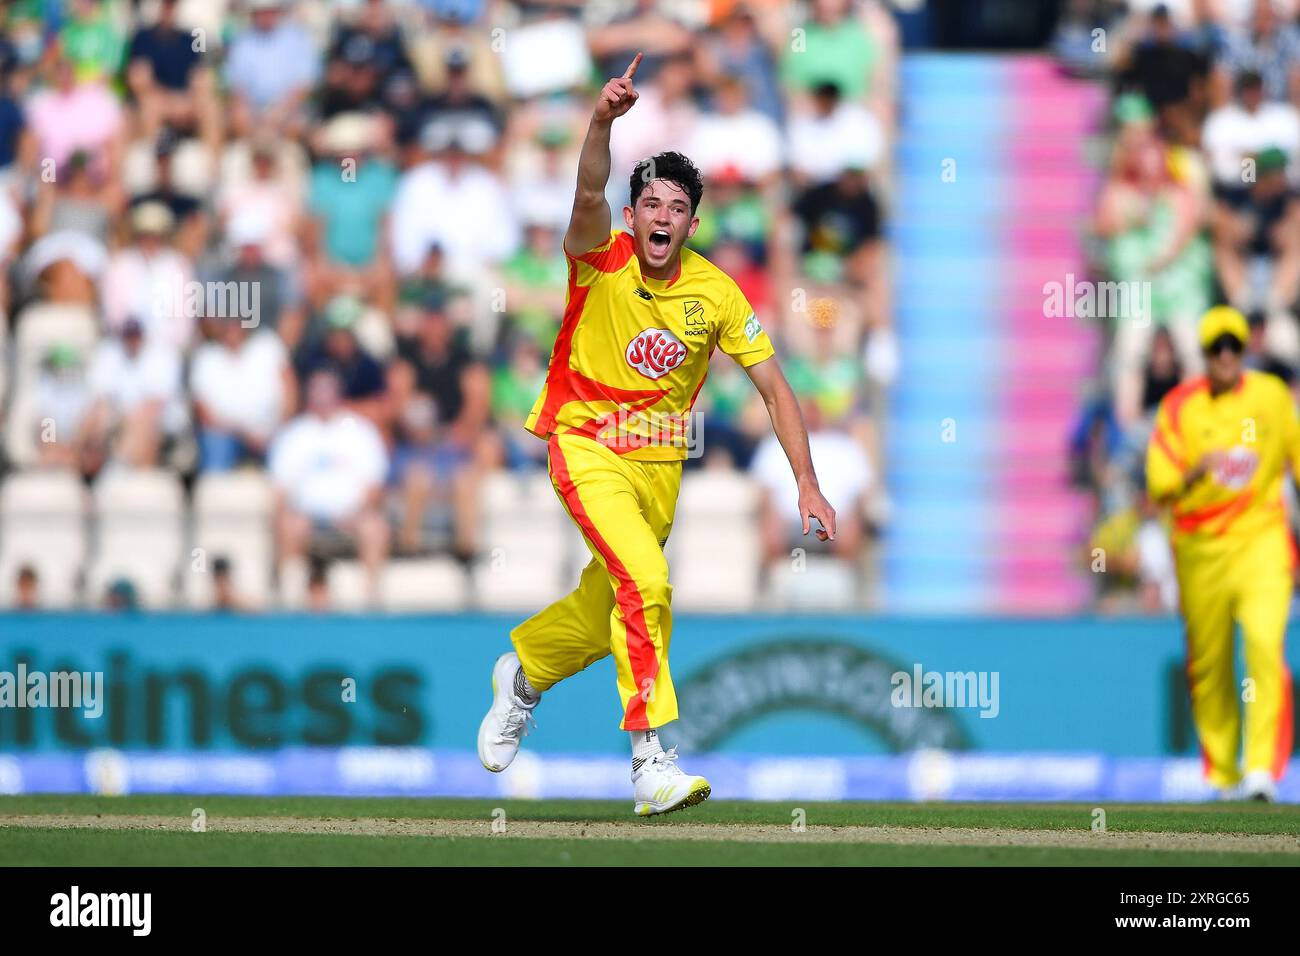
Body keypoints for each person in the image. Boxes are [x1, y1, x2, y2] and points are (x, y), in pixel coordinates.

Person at [476, 54, 836, 816]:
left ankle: (526, 672)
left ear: (693, 222)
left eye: (676, 206)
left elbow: (773, 387)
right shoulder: (596, 261)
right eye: (649, 203)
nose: (661, 216)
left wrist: (805, 480)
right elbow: (583, 190)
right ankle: (650, 759)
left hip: (660, 467)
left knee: (612, 602)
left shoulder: (716, 292)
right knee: (647, 583)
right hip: (585, 443)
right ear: (631, 214)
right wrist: (602, 121)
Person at [1145, 306, 1297, 801]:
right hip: (1200, 550)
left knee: (1262, 645)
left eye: (1234, 346)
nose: (1227, 356)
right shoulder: (1180, 407)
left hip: (1261, 542)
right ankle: (1223, 773)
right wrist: (1194, 471)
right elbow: (1158, 483)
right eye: (1217, 348)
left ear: (1245, 349)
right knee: (1209, 666)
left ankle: (1260, 770)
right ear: (1205, 354)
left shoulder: (1271, 397)